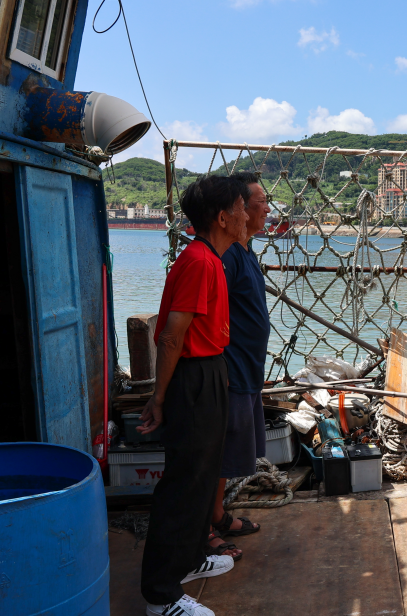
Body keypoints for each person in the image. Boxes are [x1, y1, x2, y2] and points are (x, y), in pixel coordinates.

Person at [138, 175, 248, 616]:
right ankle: (160, 596)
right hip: (194, 378)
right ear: (223, 218)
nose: (246, 217)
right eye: (241, 208)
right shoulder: (200, 262)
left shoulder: (211, 260)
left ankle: (186, 561)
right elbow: (171, 337)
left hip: (209, 372)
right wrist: (159, 397)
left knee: (203, 477)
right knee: (185, 484)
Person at [207, 173, 271, 559]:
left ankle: (217, 514)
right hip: (231, 371)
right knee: (216, 454)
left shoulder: (245, 251)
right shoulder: (228, 256)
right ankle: (205, 529)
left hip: (249, 368)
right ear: (238, 210)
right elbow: (212, 310)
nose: (266, 208)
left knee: (230, 453)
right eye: (260, 201)